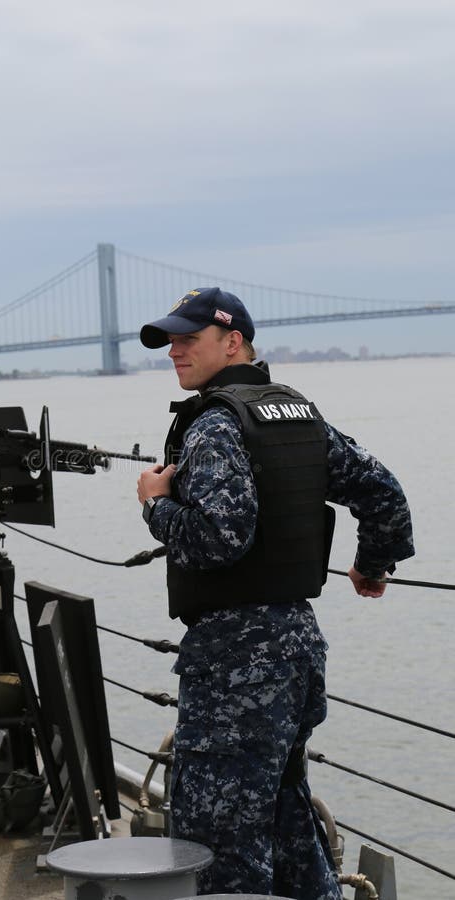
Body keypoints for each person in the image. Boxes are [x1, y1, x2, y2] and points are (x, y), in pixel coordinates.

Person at [136, 287, 414, 899]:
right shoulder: (299, 414)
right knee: (288, 823)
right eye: (171, 341)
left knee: (219, 844)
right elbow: (384, 493)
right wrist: (374, 565)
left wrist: (155, 504)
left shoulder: (214, 425)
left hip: (235, 661)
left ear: (232, 342)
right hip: (294, 648)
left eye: (189, 339)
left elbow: (216, 539)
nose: (175, 351)